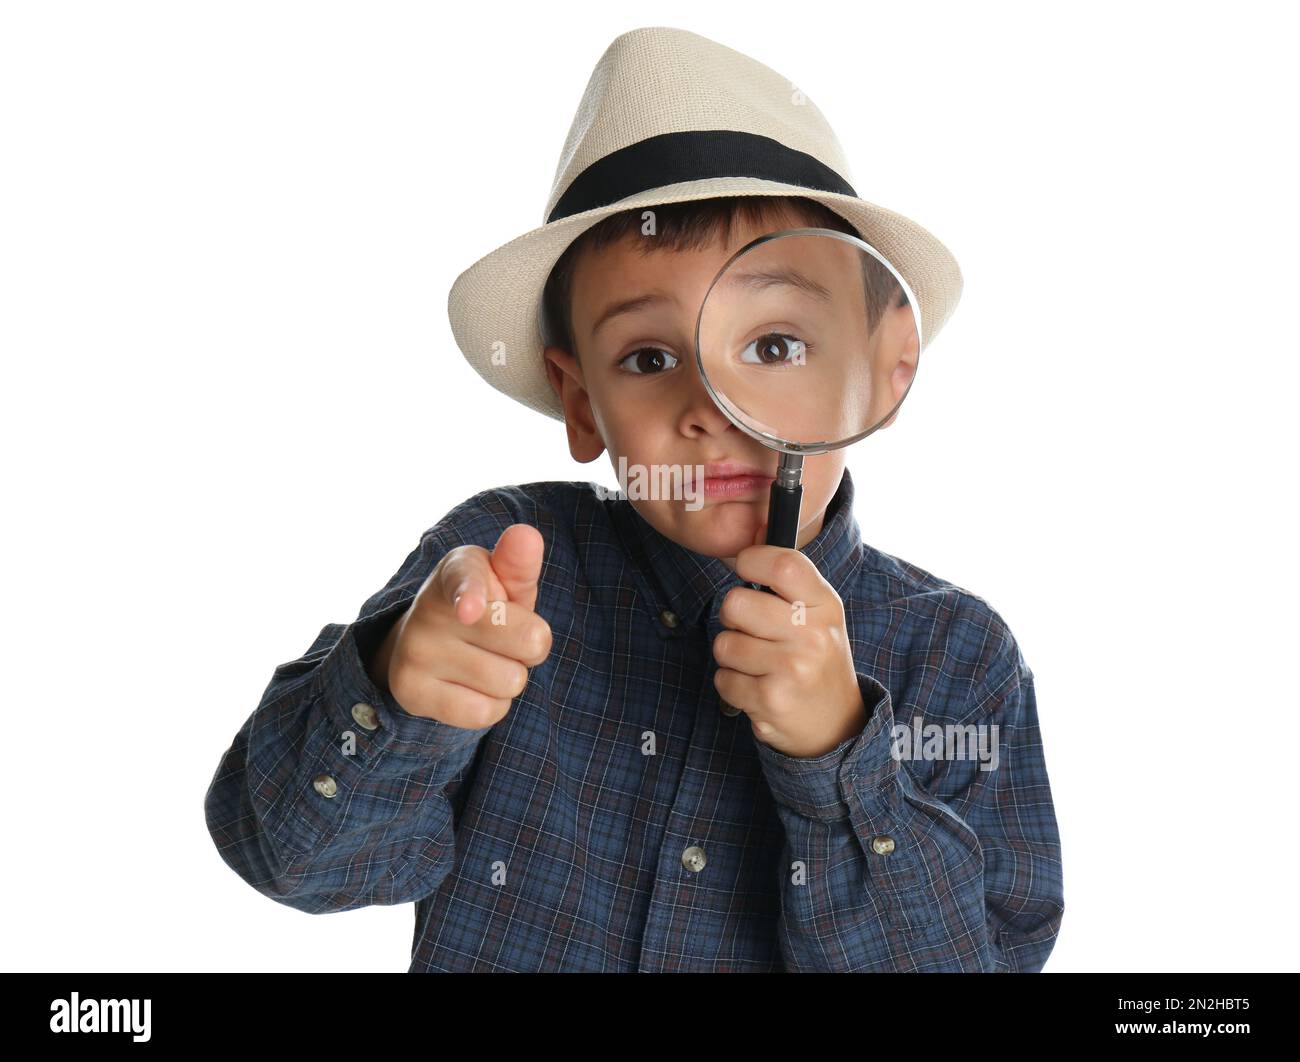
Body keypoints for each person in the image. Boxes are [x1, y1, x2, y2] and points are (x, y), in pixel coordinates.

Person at [204, 25, 1064, 972]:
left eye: (774, 346)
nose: (710, 411)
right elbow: (293, 858)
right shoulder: (503, 567)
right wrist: (401, 693)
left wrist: (839, 759)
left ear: (881, 369)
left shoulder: (959, 659)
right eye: (649, 359)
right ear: (580, 403)